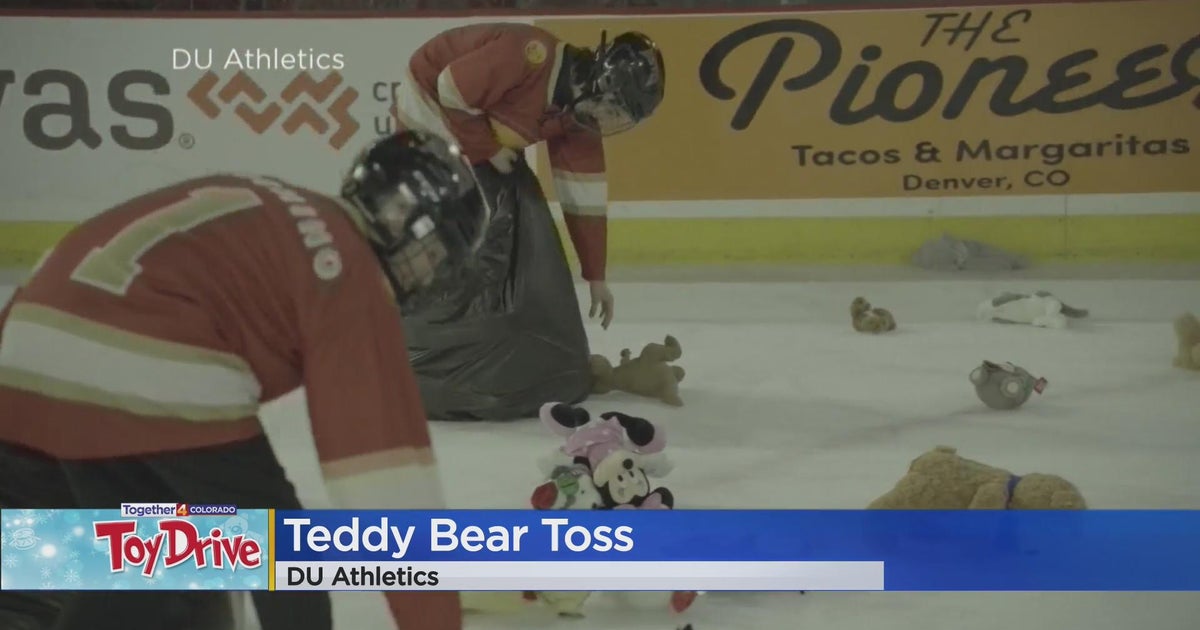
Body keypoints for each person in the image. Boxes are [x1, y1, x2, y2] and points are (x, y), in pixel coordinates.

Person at [0, 130, 489, 630]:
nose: (427, 274)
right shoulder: (348, 269)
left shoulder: (277, 201)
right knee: (277, 546)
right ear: (402, 222)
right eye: (432, 255)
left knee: (157, 558)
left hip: (22, 350)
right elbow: (385, 475)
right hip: (142, 363)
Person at [391, 23, 666, 420]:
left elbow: (583, 193)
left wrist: (596, 276)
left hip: (474, 132)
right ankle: (433, 371)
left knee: (520, 211)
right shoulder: (529, 55)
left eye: (618, 116)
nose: (607, 119)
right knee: (483, 219)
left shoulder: (578, 108)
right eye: (612, 107)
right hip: (429, 113)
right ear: (598, 82)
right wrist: (483, 149)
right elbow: (450, 87)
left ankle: (498, 363)